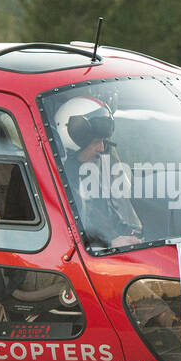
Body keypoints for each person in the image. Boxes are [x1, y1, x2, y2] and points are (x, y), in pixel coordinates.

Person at [54, 96, 141, 249]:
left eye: (103, 142)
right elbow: (64, 238)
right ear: (72, 139)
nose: (101, 149)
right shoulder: (55, 180)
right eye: (96, 143)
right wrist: (107, 244)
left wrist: (134, 234)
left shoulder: (88, 173)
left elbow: (109, 218)